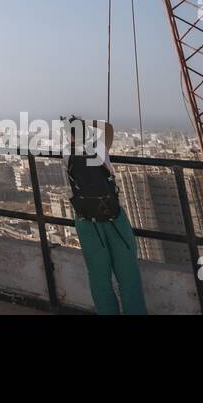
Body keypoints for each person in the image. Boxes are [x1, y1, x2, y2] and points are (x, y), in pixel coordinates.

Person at [62, 117, 147, 315]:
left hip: (86, 220)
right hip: (113, 217)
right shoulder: (98, 147)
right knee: (128, 275)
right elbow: (108, 128)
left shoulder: (67, 153)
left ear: (69, 134)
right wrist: (88, 121)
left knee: (99, 277)